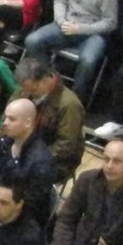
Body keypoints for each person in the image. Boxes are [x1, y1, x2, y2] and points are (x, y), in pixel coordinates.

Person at [22, 0, 118, 98]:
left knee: (88, 60)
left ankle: (75, 97)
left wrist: (81, 28)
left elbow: (110, 23)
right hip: (66, 24)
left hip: (92, 33)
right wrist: (61, 20)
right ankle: (47, 83)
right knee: (32, 40)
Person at [0, 97, 55, 223]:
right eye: (5, 118)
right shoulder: (2, 143)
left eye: (12, 119)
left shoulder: (41, 162)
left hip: (12, 222)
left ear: (28, 123)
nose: (5, 123)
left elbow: (30, 206)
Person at [16, 56, 85, 185]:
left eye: (33, 89)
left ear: (45, 80)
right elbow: (9, 116)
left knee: (20, 177)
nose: (27, 93)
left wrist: (33, 157)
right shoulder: (25, 90)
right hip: (23, 149)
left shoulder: (69, 104)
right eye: (25, 89)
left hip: (55, 160)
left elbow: (66, 145)